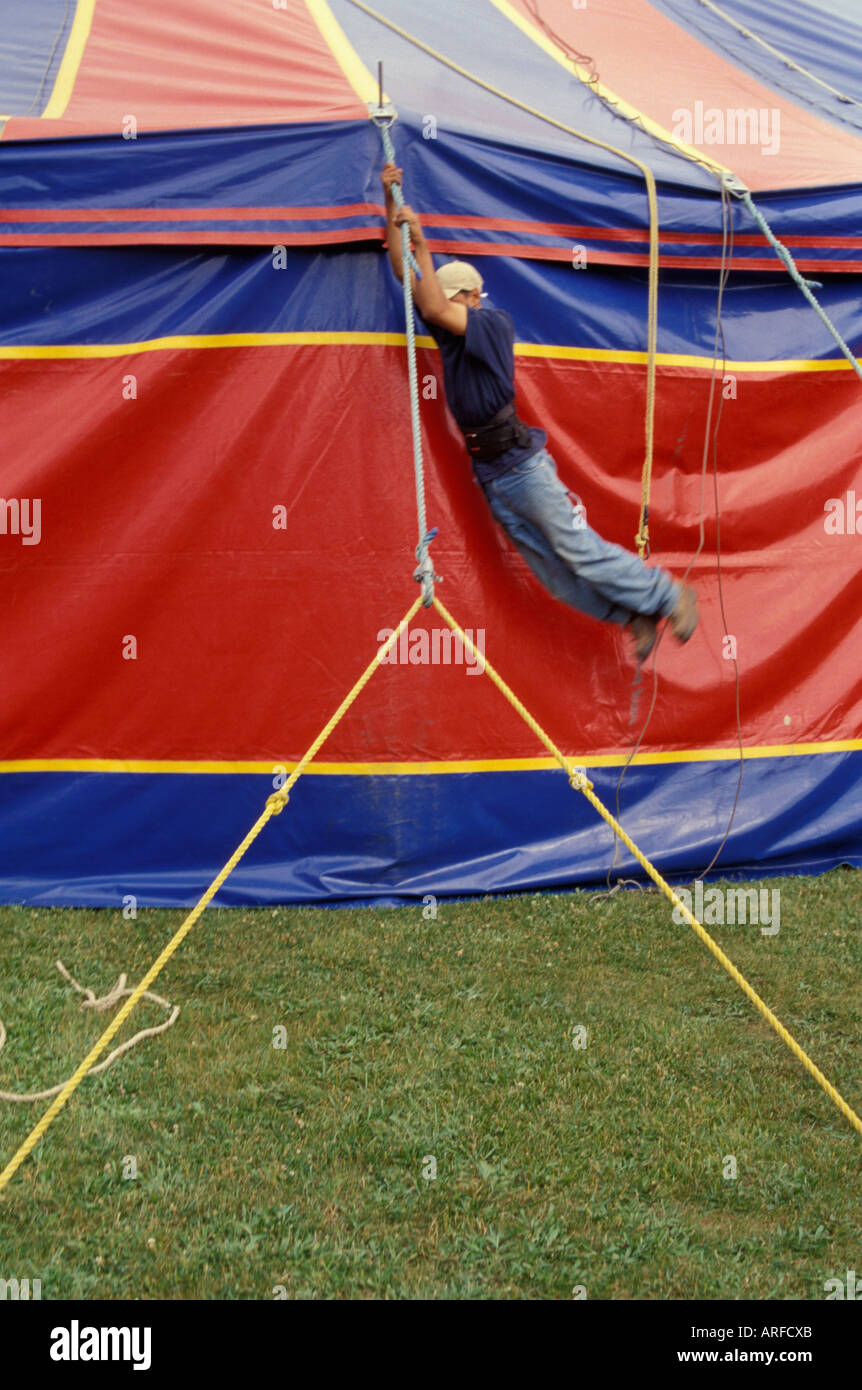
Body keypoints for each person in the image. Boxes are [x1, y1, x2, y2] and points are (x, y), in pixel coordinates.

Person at [381, 162, 697, 661]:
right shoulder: (451, 326)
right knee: (552, 573)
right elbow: (408, 279)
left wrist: (421, 247)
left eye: (450, 296)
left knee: (578, 550)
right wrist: (393, 208)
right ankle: (631, 614)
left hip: (520, 466)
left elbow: (435, 305)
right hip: (492, 472)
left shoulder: (490, 323)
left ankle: (667, 595)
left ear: (469, 295)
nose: (439, 304)